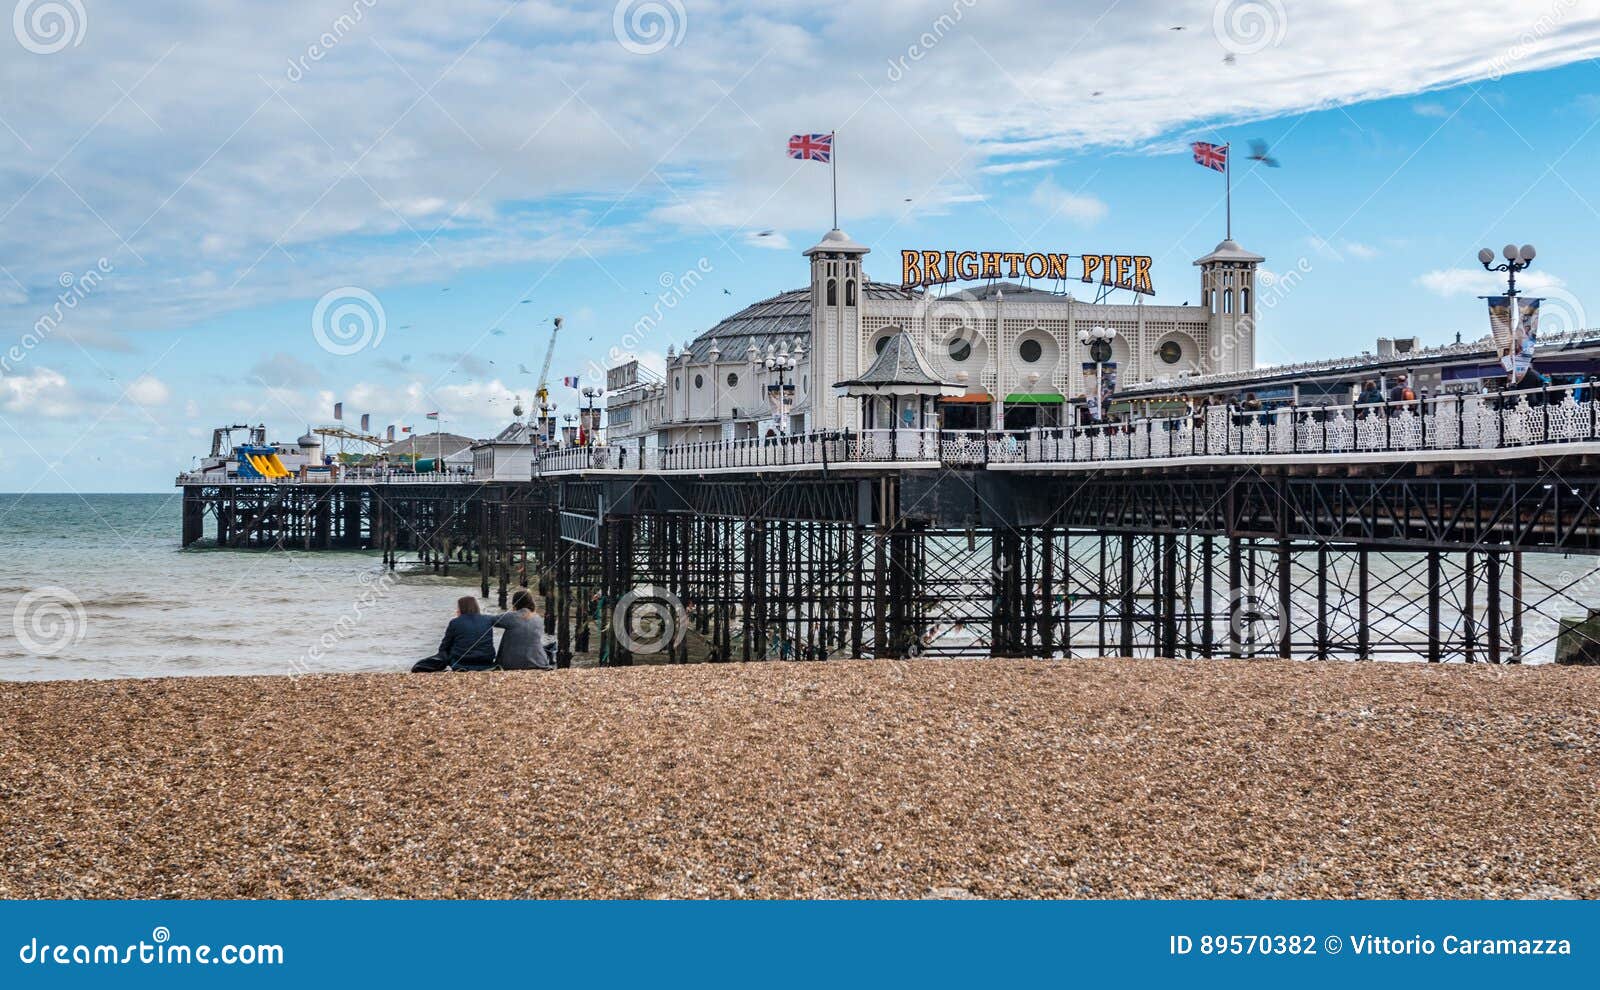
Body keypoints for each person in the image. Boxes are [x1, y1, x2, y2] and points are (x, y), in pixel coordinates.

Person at [412, 596, 496, 672]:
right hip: (486, 661)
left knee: (446, 650)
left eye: (458, 607)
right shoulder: (488, 620)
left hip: (461, 662)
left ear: (461, 608)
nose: (457, 609)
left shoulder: (455, 622)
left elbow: (444, 647)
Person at [493, 590, 552, 670]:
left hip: (511, 665)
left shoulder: (511, 617)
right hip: (540, 663)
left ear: (515, 603)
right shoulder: (538, 619)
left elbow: (490, 620)